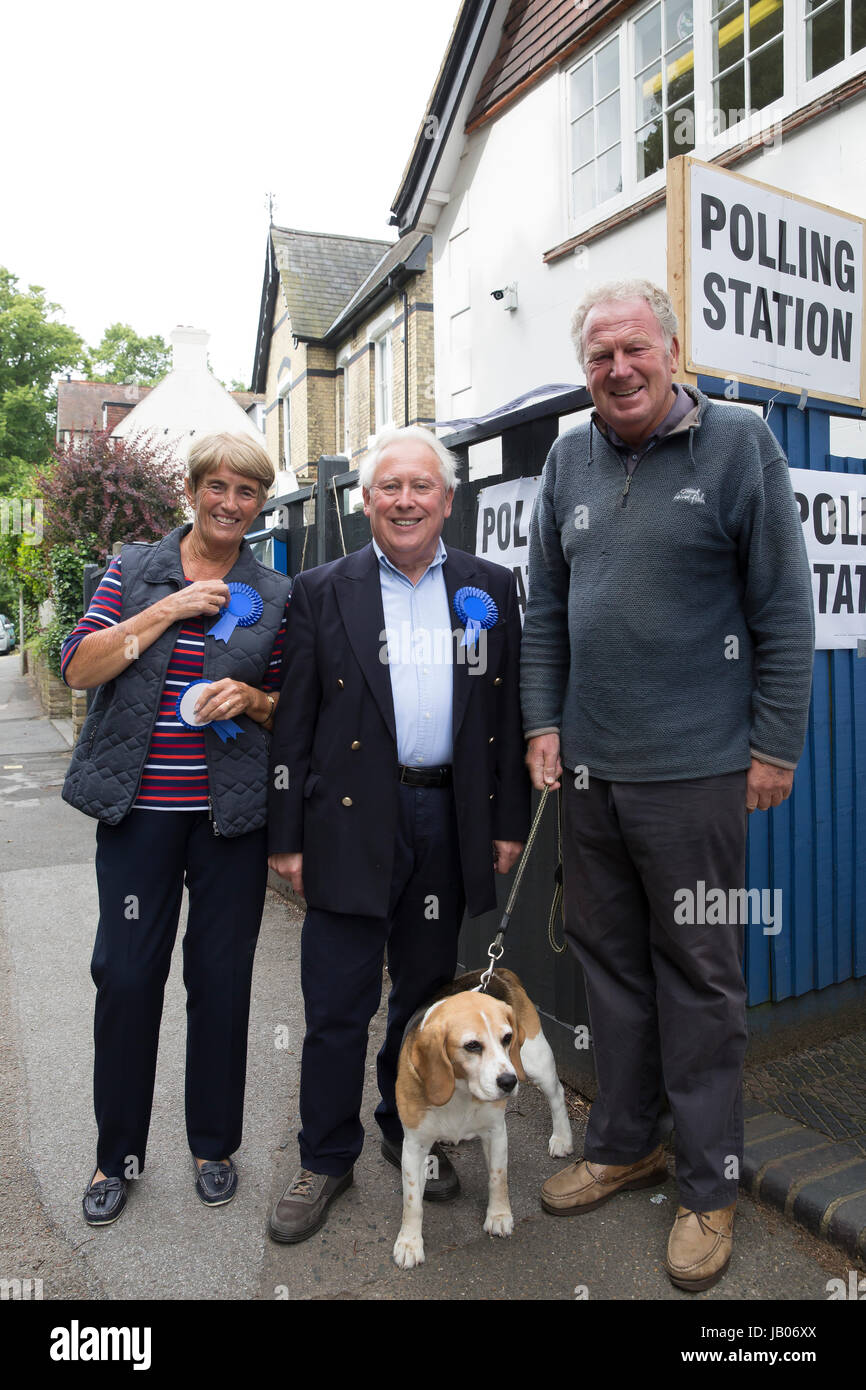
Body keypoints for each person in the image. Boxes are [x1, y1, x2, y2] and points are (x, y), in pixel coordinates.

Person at [520, 279, 815, 1291]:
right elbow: (544, 609)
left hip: (697, 781)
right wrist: (542, 722)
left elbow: (781, 607)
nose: (617, 369)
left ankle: (707, 1185)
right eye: (599, 354)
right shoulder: (566, 456)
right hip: (590, 780)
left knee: (700, 979)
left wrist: (772, 745)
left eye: (634, 348)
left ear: (670, 351)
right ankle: (623, 1140)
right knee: (611, 969)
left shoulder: (740, 444)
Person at [266, 424, 529, 1243]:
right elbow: (294, 721)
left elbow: (508, 710)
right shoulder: (320, 589)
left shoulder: (489, 586)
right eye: (390, 488)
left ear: (448, 501)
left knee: (423, 1001)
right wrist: (287, 834)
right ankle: (325, 1157)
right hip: (349, 820)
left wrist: (508, 819)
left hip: (447, 817)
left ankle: (402, 1124)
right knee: (337, 1002)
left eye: (422, 487)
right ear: (367, 499)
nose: (406, 501)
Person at [61, 431, 291, 1225]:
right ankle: (115, 1157)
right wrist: (167, 608)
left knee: (221, 985)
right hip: (137, 819)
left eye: (248, 492)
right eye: (218, 487)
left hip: (229, 823)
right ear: (191, 490)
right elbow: (80, 666)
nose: (230, 504)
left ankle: (213, 1146)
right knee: (125, 980)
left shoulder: (276, 591)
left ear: (261, 503)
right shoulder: (134, 569)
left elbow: (295, 708)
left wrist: (254, 701)